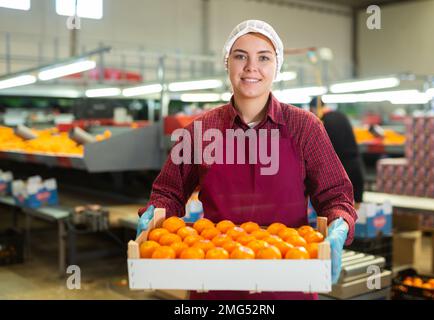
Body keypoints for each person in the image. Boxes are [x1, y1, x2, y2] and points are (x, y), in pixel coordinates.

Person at [137, 20, 357, 300]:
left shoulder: (305, 128)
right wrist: (155, 214)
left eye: (264, 57)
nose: (251, 66)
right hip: (215, 278)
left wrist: (340, 225)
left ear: (277, 67)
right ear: (227, 63)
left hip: (289, 278)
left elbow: (336, 196)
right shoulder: (200, 131)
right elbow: (168, 192)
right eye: (241, 56)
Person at [309, 97, 365, 206]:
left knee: (341, 211)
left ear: (314, 109)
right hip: (356, 166)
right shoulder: (341, 116)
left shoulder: (323, 122)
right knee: (355, 211)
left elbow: (324, 152)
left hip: (341, 172)